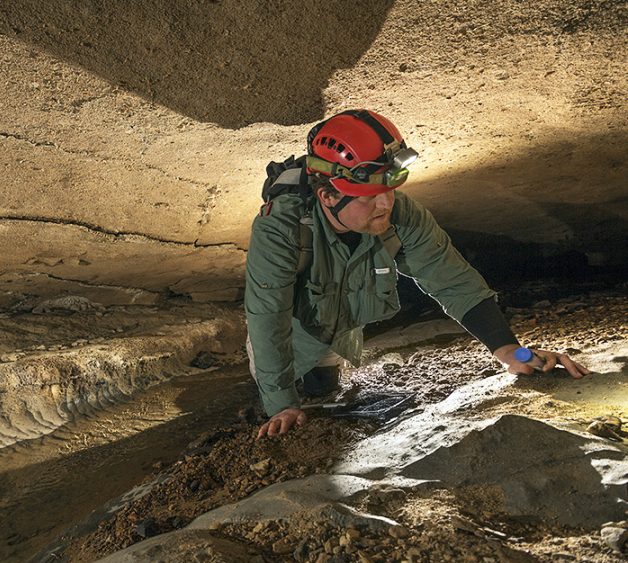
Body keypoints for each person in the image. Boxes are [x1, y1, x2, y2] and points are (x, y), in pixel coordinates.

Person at [244, 109, 589, 439]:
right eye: (370, 196)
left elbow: (451, 279)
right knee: (280, 401)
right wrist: (282, 405)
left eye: (389, 190)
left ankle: (318, 374)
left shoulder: (402, 215)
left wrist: (511, 351)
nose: (386, 204)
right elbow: (267, 316)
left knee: (323, 387)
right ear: (328, 196)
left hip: (339, 330)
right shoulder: (281, 229)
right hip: (292, 330)